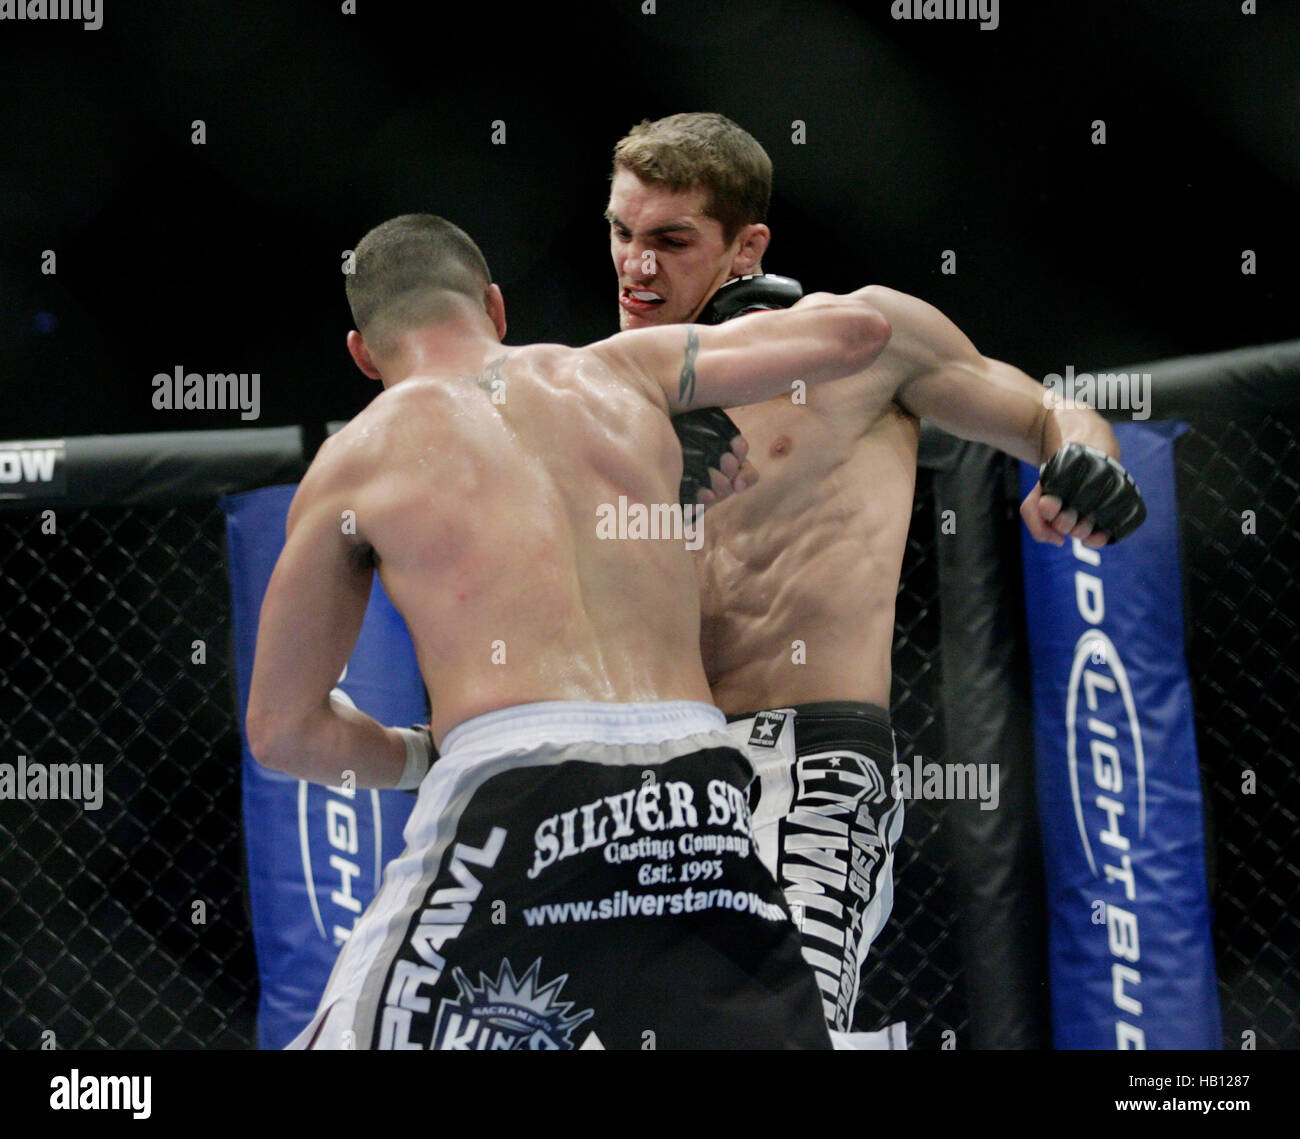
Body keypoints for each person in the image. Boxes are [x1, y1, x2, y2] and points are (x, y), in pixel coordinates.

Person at [244, 213, 892, 1049]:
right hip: (697, 784)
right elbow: (859, 332)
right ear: (496, 307)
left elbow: (282, 730)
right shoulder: (625, 372)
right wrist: (726, 319)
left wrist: (417, 755)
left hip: (519, 782)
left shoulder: (356, 461)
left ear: (364, 354)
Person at [604, 112, 1146, 1044]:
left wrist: (1084, 460)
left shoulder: (862, 341)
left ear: (748, 245)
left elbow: (1048, 408)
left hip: (809, 756)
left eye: (670, 241)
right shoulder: (597, 388)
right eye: (621, 232)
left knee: (781, 1026)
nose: (636, 267)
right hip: (649, 759)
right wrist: (653, 477)